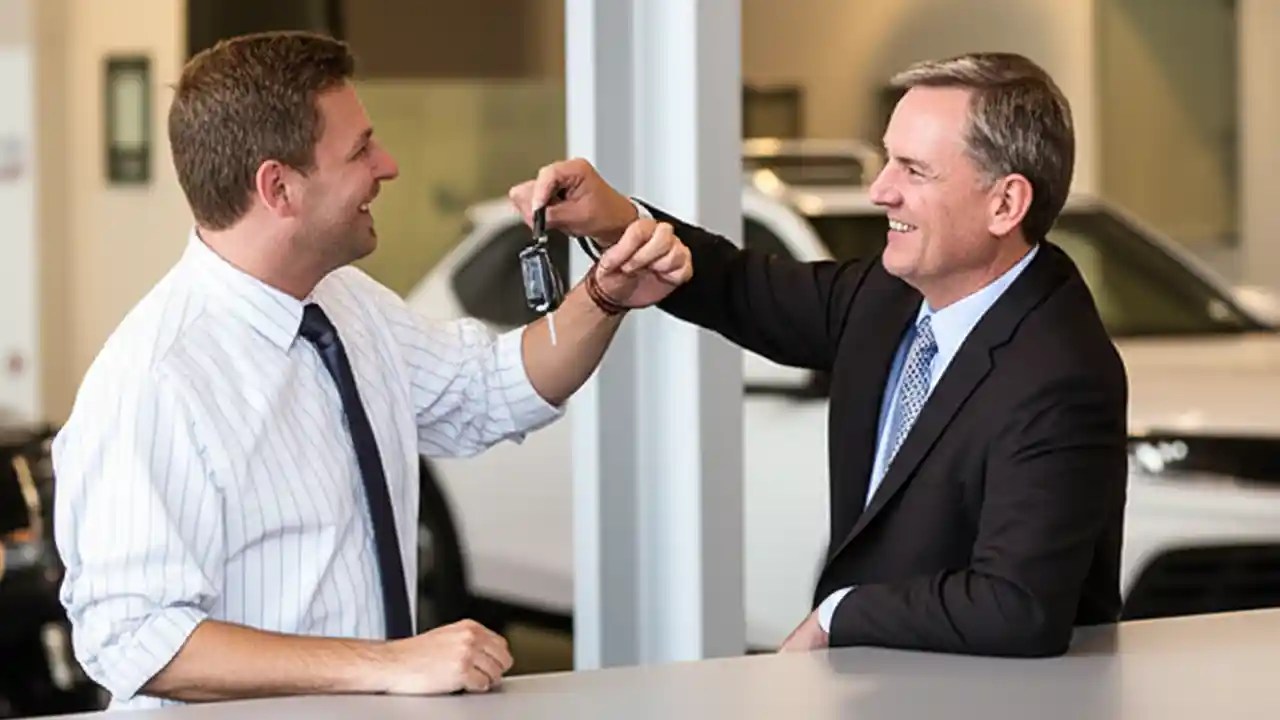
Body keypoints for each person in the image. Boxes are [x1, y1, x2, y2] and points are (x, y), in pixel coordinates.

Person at [52, 31, 693, 711]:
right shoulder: (154, 382)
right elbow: (137, 637)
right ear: (279, 188)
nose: (386, 167)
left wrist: (604, 295)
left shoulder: (347, 306)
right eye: (360, 150)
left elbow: (492, 388)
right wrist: (387, 663)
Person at [510, 52, 1128, 658]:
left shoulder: (1061, 372)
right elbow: (741, 287)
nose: (880, 190)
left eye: (914, 171)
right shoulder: (889, 297)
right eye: (888, 160)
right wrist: (615, 220)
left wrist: (840, 614)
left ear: (1005, 204)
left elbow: (1016, 608)